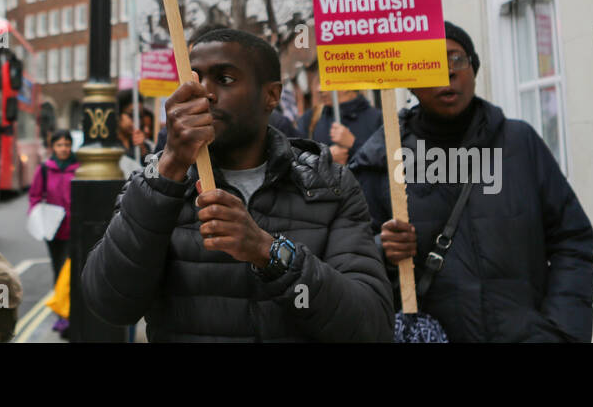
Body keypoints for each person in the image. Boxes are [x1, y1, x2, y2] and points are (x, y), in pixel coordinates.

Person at [82, 28, 395, 342]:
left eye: (225, 79)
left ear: (271, 95)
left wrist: (269, 253)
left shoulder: (328, 185)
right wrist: (171, 168)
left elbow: (370, 327)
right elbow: (110, 304)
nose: (204, 93)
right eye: (194, 79)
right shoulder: (158, 183)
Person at [349, 22, 593, 342]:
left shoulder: (521, 144)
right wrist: (380, 250)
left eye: (456, 60)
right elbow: (348, 271)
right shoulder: (381, 161)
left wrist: (561, 331)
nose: (447, 73)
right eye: (430, 64)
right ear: (410, 84)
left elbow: (573, 241)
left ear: (474, 70)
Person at [29, 129, 78, 337]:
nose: (64, 149)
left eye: (67, 144)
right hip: (53, 230)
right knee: (59, 271)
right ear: (53, 148)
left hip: (73, 228)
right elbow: (34, 196)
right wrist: (37, 217)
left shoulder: (79, 168)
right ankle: (62, 314)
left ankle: (70, 313)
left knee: (70, 272)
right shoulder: (45, 169)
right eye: (59, 145)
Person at [299, 72, 382, 164]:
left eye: (327, 81)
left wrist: (353, 144)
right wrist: (325, 157)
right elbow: (298, 159)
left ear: (346, 84)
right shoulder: (310, 118)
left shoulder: (377, 119)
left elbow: (387, 160)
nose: (319, 89)